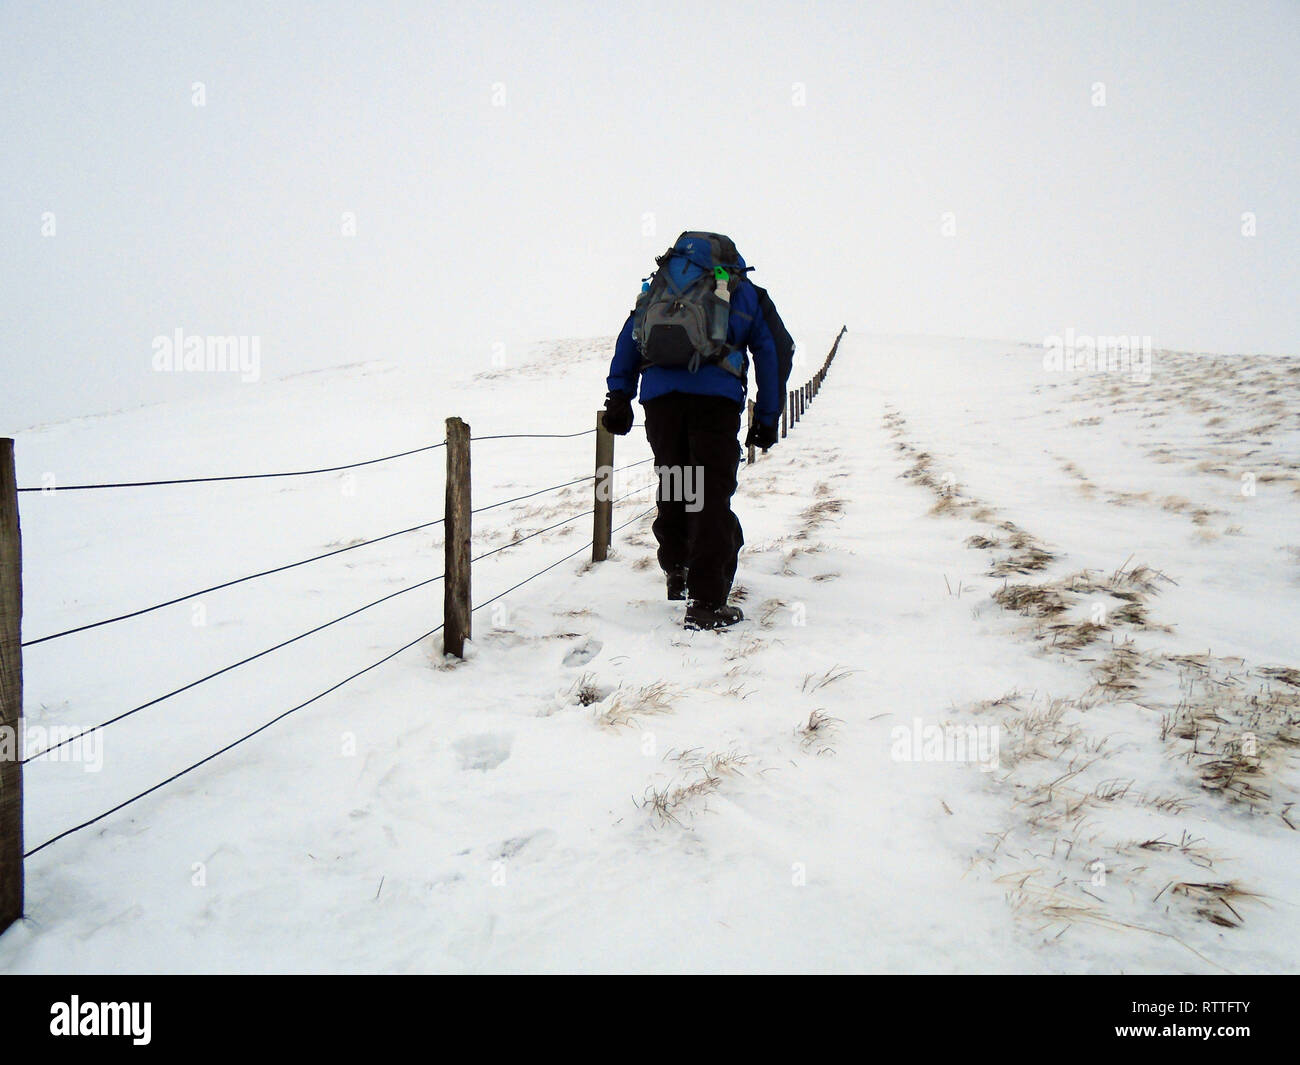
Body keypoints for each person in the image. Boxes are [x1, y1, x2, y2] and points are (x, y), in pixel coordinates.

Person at [601, 231, 783, 631]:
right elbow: (774, 350)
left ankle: (678, 569)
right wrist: (767, 418)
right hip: (714, 401)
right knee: (710, 494)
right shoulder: (742, 290)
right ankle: (705, 600)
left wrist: (619, 396)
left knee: (676, 481)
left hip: (661, 401)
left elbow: (629, 339)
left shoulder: (660, 285)